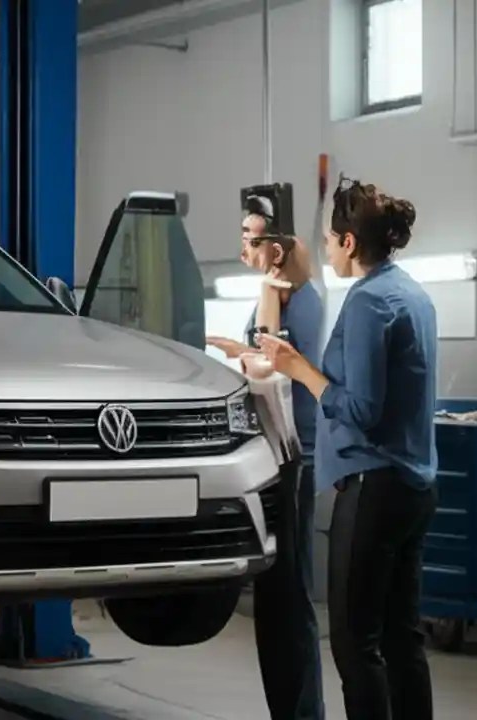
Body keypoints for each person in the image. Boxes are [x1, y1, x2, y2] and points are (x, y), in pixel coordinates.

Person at [257, 178, 438, 720]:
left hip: (373, 489)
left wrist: (299, 369)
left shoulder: (367, 303)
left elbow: (360, 409)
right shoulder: (412, 294)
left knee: (355, 644)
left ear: (350, 243)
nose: (327, 251)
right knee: (402, 637)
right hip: (414, 486)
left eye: (329, 242)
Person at [209, 198, 326, 720]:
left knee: (289, 598)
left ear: (276, 249)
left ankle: (302, 713)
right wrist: (239, 349)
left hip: (292, 457)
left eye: (251, 238)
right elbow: (264, 355)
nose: (243, 248)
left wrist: (244, 351)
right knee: (275, 599)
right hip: (273, 455)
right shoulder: (281, 295)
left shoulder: (295, 300)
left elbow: (270, 366)